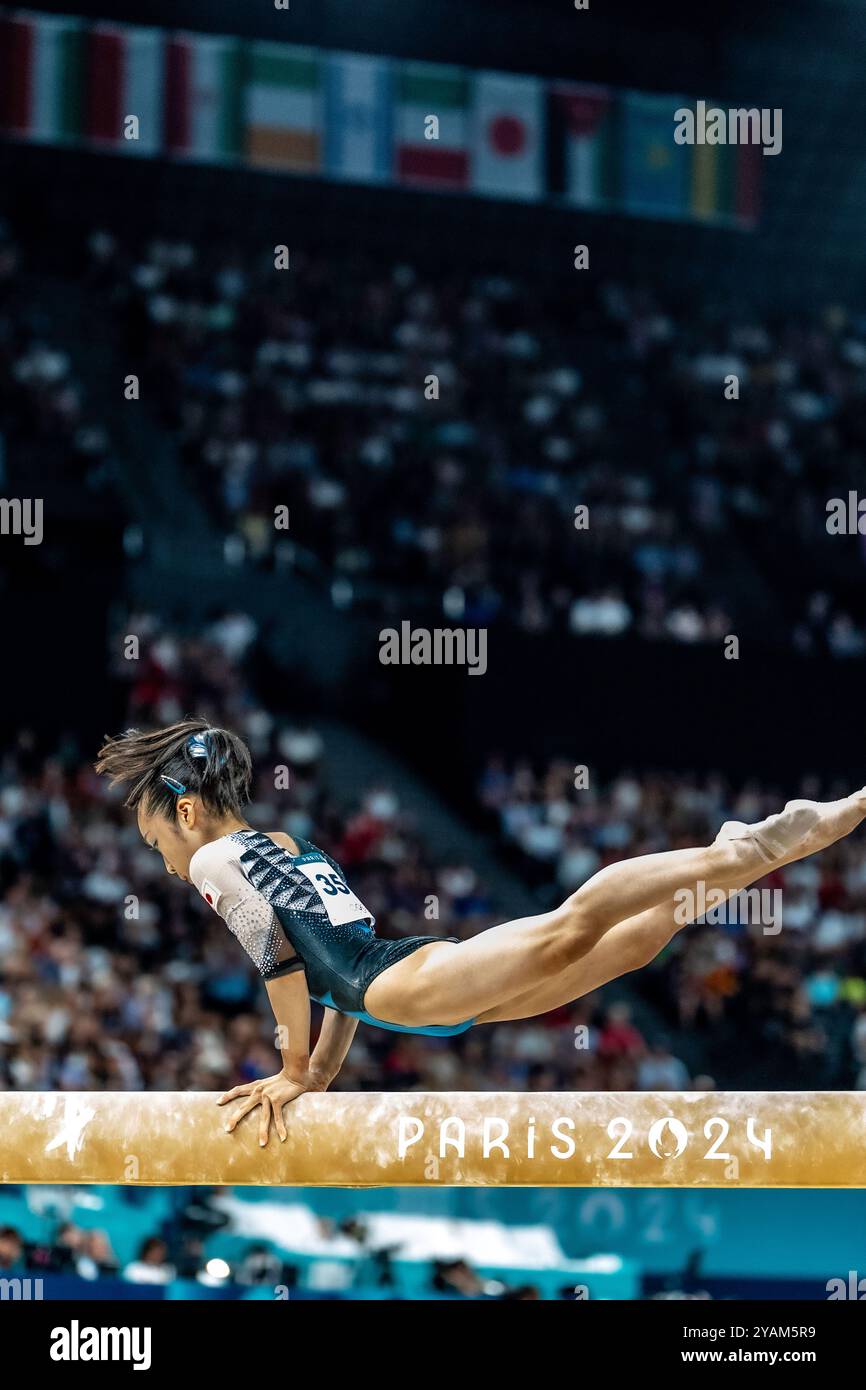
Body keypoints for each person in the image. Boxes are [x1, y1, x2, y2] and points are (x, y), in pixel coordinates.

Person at [96, 718, 866, 1144]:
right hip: (401, 985)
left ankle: (740, 851)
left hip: (405, 985)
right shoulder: (285, 847)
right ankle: (732, 861)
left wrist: (294, 1068)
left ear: (187, 812)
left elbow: (282, 965)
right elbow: (331, 967)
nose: (162, 862)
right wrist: (325, 1070)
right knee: (625, 949)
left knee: (571, 929)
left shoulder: (216, 862)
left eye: (155, 841)